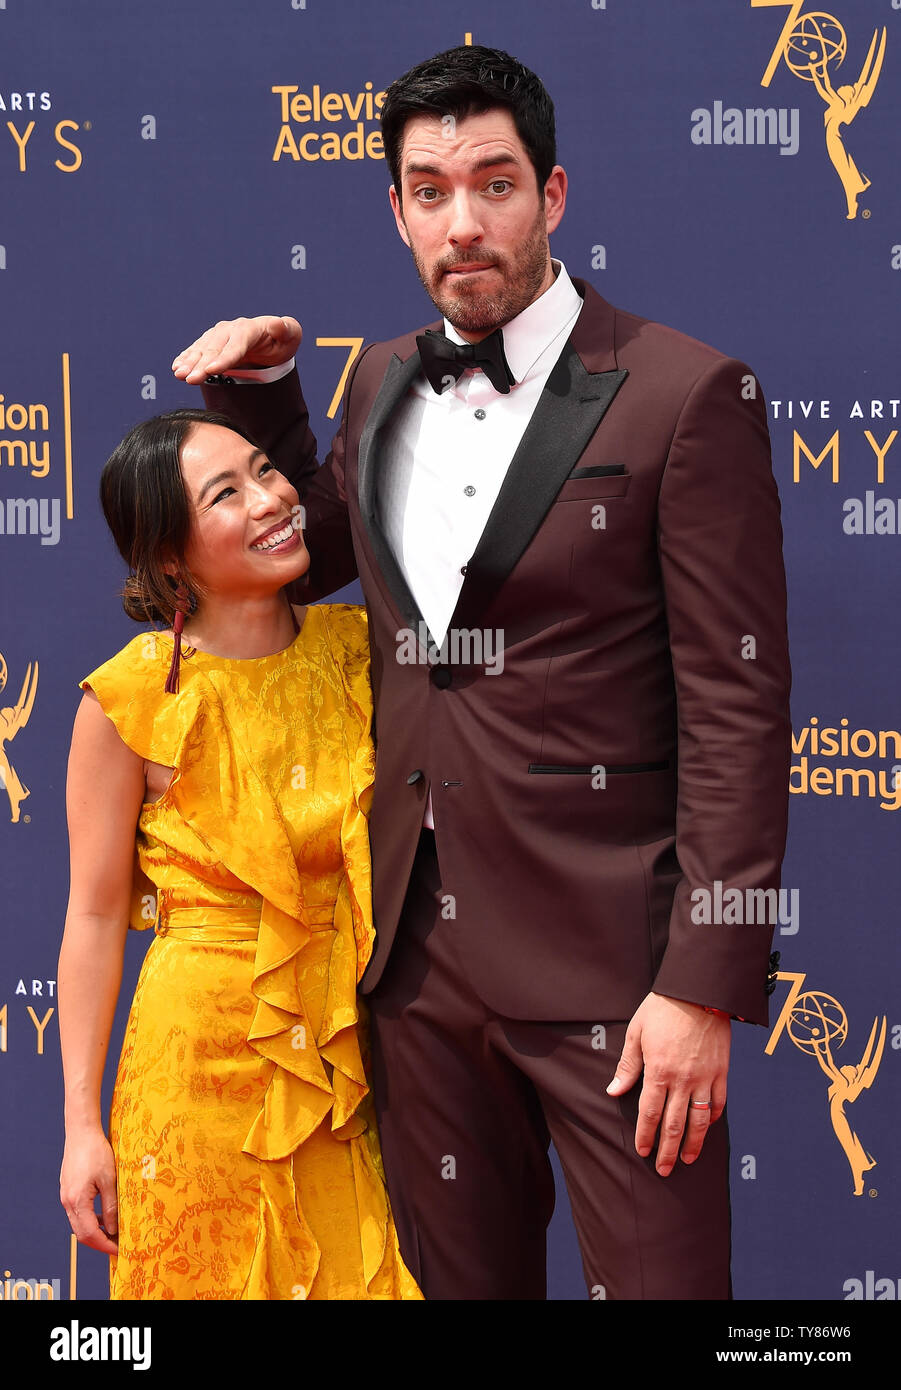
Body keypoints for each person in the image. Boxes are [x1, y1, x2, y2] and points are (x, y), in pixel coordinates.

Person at [172, 45, 791, 1300]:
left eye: (494, 184)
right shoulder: (379, 377)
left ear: (551, 196)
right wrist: (263, 404)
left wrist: (703, 985)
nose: (465, 221)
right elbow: (319, 552)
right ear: (396, 210)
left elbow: (738, 707)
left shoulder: (682, 394)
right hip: (416, 972)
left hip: (622, 983)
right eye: (431, 189)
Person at [57, 408, 422, 1301]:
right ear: (169, 555)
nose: (271, 500)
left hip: (353, 1058)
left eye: (266, 470)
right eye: (227, 493)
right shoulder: (131, 696)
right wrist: (80, 1127)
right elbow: (98, 915)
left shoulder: (362, 653)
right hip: (195, 1070)